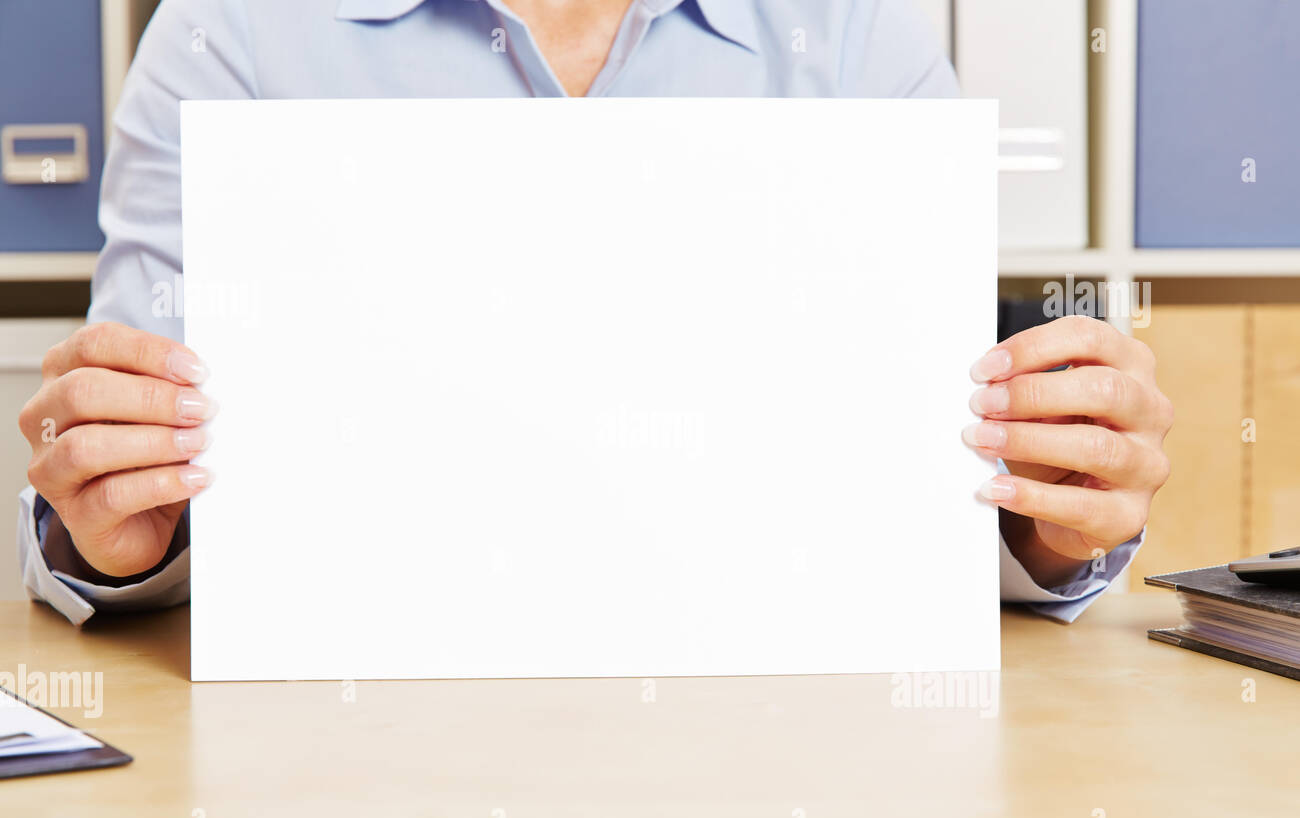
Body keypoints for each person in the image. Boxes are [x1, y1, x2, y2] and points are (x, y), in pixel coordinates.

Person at [17, 0, 1172, 626]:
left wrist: (1047, 515)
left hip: (791, 748)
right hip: (339, 756)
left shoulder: (864, 41)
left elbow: (923, 499)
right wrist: (110, 533)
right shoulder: (230, 33)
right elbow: (125, 496)